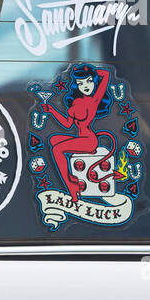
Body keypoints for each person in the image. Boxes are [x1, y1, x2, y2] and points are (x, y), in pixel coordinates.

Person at [39, 64, 113, 199]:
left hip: (89, 141)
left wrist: (88, 70)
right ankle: (70, 178)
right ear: (77, 86)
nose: (86, 85)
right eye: (80, 83)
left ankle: (70, 185)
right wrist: (52, 110)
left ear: (94, 81)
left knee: (57, 149)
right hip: (81, 139)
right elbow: (67, 125)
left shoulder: (94, 100)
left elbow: (106, 75)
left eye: (89, 81)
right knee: (52, 140)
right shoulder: (75, 103)